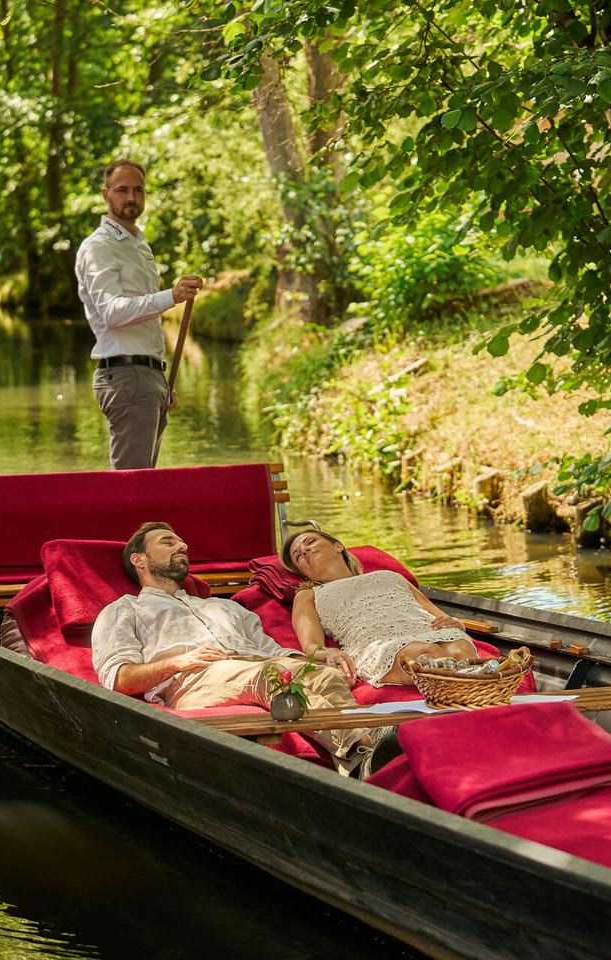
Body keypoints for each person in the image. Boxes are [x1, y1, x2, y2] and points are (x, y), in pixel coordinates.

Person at [91, 521, 380, 776]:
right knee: (272, 675)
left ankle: (359, 769)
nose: (182, 545)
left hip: (255, 666)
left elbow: (271, 649)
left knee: (325, 677)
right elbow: (118, 677)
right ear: (138, 559)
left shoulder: (224, 606)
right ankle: (369, 752)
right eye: (168, 542)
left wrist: (313, 663)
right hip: (193, 680)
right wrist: (178, 661)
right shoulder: (124, 609)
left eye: (181, 542)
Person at [75, 159, 204, 470]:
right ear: (106, 194)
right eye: (122, 190)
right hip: (125, 377)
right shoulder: (99, 248)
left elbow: (143, 321)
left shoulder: (140, 248)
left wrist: (158, 380)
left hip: (147, 377)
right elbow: (112, 313)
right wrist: (171, 296)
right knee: (133, 488)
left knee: (143, 482)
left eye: (138, 190)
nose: (131, 197)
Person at [282, 530, 479, 687]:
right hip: (378, 645)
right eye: (298, 555)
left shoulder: (389, 575)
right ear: (303, 572)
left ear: (338, 546)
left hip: (427, 629)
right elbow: (311, 647)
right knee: (430, 654)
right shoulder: (309, 595)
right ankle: (475, 702)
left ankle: (473, 700)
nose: (305, 551)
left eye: (309, 542)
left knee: (462, 652)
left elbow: (439, 614)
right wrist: (330, 654)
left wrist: (455, 622)